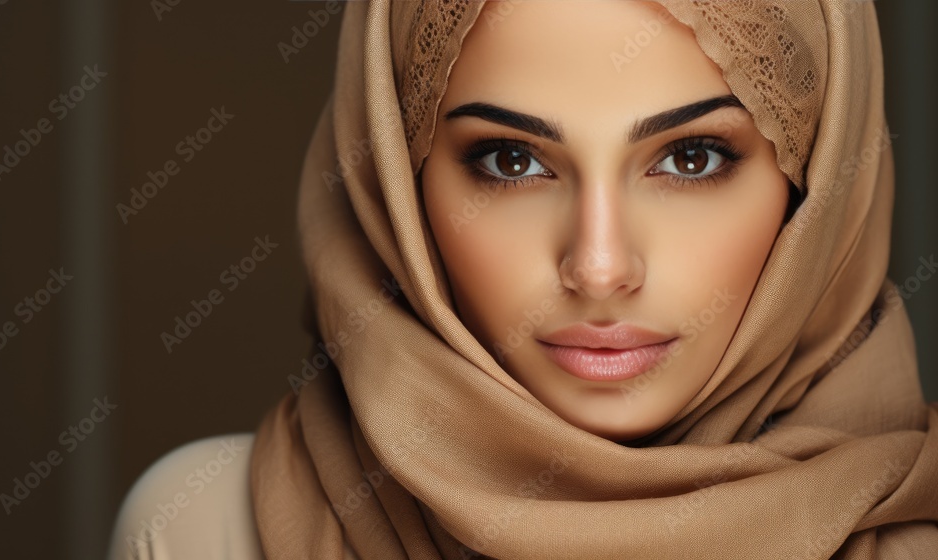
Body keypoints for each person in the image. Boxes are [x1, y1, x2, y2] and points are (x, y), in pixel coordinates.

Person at [107, 1, 938, 558]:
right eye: (511, 162)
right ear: (397, 185)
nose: (600, 267)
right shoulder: (205, 531)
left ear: (817, 189)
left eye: (691, 158)